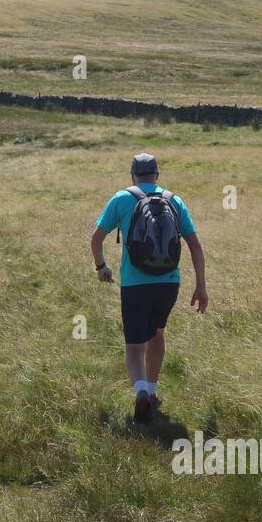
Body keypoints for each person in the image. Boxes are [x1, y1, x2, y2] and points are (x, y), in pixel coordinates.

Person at [90, 153, 208, 423]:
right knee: (157, 333)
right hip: (169, 283)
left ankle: (141, 390)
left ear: (132, 175)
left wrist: (101, 267)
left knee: (134, 345)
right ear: (157, 175)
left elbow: (96, 238)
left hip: (134, 284)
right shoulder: (174, 200)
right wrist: (201, 286)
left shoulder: (121, 198)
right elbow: (196, 245)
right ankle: (152, 391)